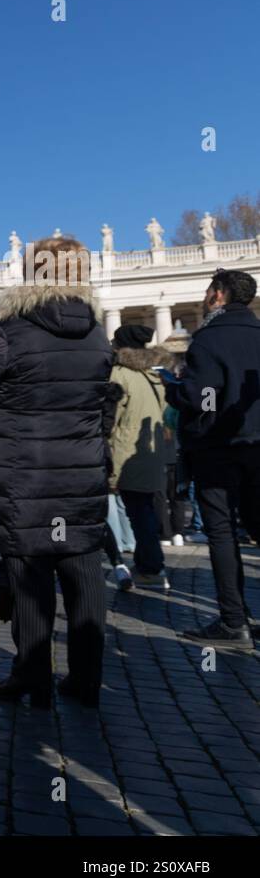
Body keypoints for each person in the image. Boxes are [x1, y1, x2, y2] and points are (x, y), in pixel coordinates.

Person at [0, 236, 114, 708]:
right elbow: (103, 407)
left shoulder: (6, 332)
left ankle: (33, 678)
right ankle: (86, 679)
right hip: (81, 475)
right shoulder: (97, 334)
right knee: (85, 574)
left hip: (23, 479)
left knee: (29, 582)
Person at [166, 269, 260, 649]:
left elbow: (203, 396)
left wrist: (176, 392)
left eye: (209, 290)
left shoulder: (208, 338)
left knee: (221, 533)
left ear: (219, 295)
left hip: (218, 447)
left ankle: (234, 623)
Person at [107, 324, 173, 590]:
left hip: (125, 453)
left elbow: (110, 420)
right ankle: (148, 563)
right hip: (150, 453)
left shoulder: (119, 375)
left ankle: (150, 567)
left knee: (138, 513)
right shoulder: (152, 375)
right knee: (143, 509)